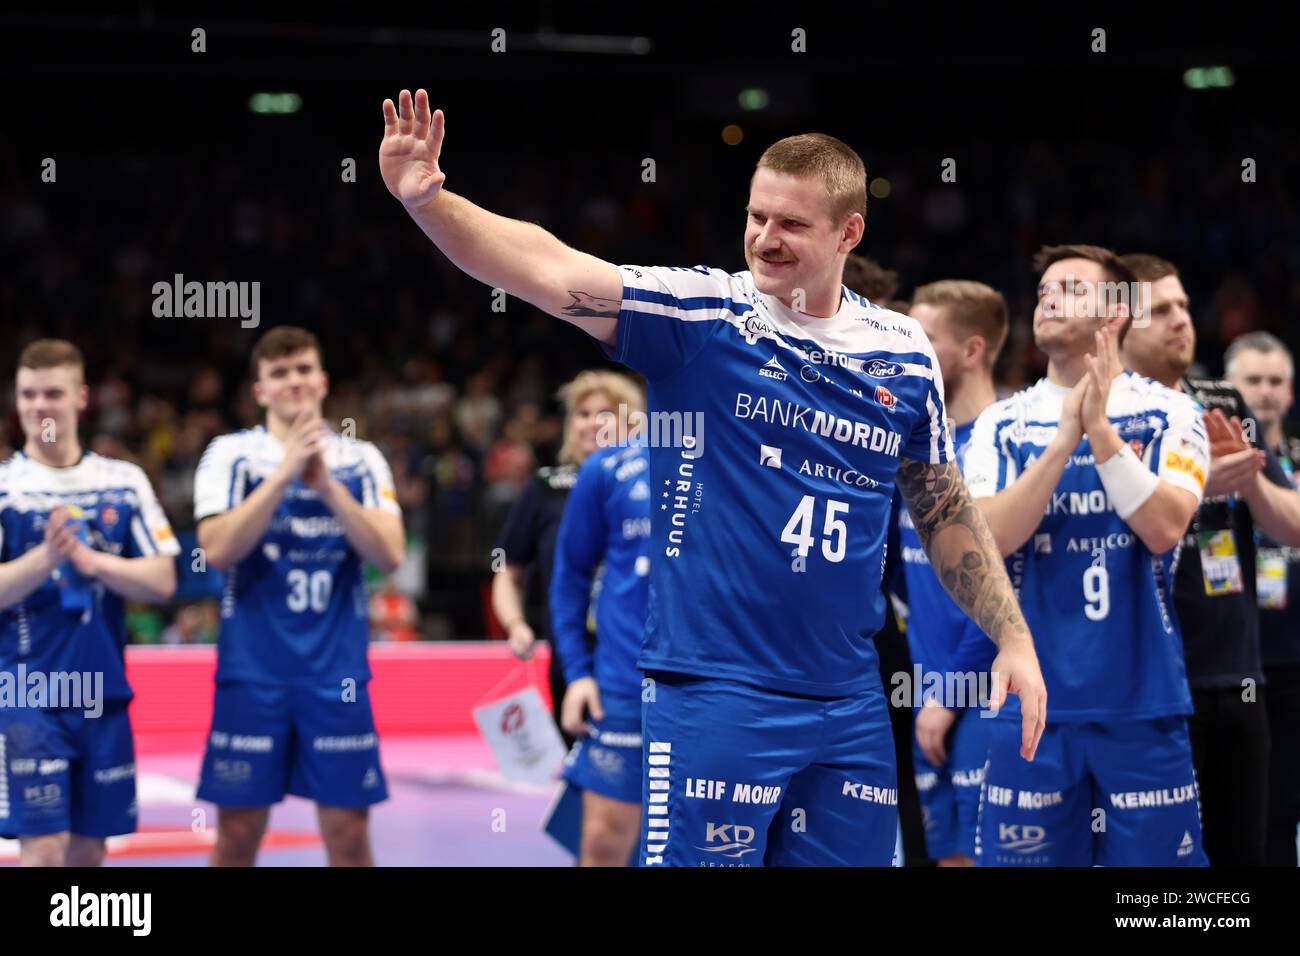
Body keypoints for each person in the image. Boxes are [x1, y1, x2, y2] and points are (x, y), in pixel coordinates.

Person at [380, 88, 1046, 867]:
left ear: (849, 232)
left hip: (851, 701)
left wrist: (1013, 637)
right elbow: (551, 271)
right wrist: (431, 203)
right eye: (756, 217)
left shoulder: (903, 348)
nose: (764, 238)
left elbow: (940, 507)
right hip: (714, 693)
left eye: (792, 223)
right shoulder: (704, 315)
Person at [966, 244, 1209, 866]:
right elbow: (987, 539)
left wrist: (1100, 432)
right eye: (1044, 288)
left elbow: (1163, 527)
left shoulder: (1171, 412)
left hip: (1143, 701)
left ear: (1116, 313)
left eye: (1071, 288)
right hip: (1031, 703)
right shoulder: (1002, 423)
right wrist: (1062, 443)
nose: (1048, 298)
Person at [193, 326, 406, 866]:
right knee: (237, 836)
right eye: (279, 373)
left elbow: (390, 555)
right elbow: (216, 549)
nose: (294, 381)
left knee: (349, 836)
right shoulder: (230, 455)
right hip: (251, 674)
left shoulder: (361, 461)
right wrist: (286, 472)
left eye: (304, 369)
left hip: (337, 679)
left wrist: (327, 488)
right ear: (259, 390)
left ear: (323, 381)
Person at [1119, 256, 1300, 866]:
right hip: (1150, 689)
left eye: (1183, 306)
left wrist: (1247, 481)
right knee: (1161, 872)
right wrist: (1198, 488)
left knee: (1247, 856)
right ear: (1120, 323)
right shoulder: (1100, 413)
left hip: (1238, 678)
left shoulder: (1222, 401)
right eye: (1161, 310)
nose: (1181, 320)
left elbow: (1293, 526)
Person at [0, 339, 178, 866]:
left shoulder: (122, 483)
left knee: (88, 852)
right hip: (27, 698)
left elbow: (164, 580)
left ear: (81, 397)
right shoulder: (6, 488)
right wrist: (48, 557)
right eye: (28, 394)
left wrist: (94, 562)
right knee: (45, 851)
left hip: (104, 697)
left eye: (52, 393)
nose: (39, 406)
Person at [894, 280, 1008, 866]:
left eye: (924, 338)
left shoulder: (1006, 443)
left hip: (988, 698)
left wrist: (947, 693)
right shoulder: (914, 450)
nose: (907, 349)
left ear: (972, 350)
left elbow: (1000, 583)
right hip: (927, 694)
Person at [492, 370, 643, 748]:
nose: (592, 423)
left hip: (635, 657)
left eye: (605, 413)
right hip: (570, 657)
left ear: (633, 421)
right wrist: (515, 625)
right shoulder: (545, 486)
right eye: (582, 413)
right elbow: (506, 569)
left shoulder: (656, 482)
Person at [550, 388, 650, 866]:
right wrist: (579, 674)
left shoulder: (731, 455)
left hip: (713, 686)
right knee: (604, 843)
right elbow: (569, 576)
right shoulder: (604, 470)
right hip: (622, 685)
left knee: (708, 842)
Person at [1226, 331, 1300, 866]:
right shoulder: (1205, 466)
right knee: (1239, 818)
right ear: (1227, 389)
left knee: (1285, 813)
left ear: (1292, 392)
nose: (1266, 392)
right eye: (1253, 380)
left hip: (1295, 662)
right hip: (1233, 668)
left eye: (1276, 381)